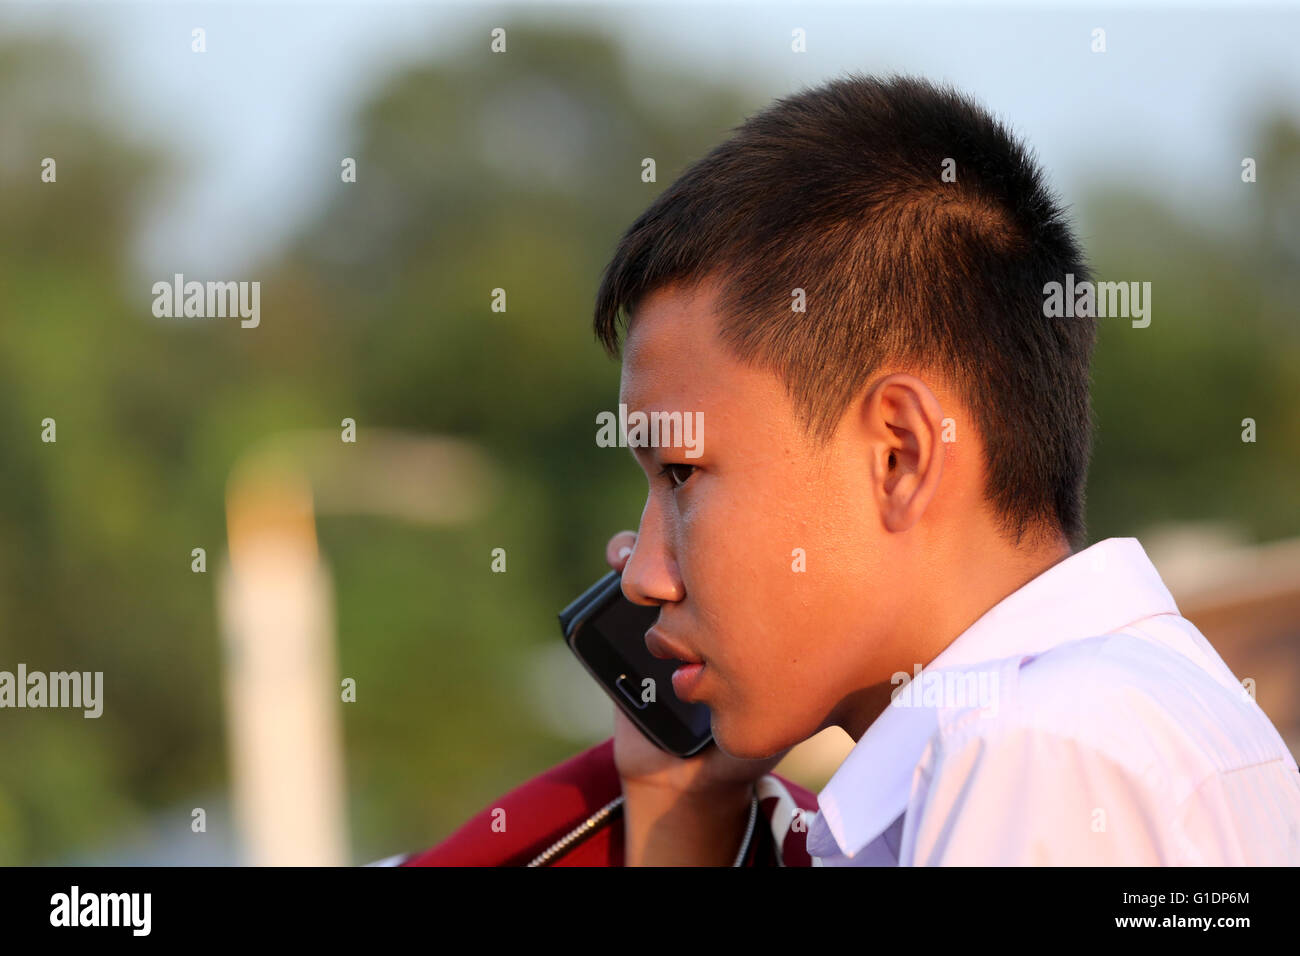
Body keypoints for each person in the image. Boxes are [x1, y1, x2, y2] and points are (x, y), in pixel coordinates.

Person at [403, 72, 1300, 866]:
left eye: (682, 474)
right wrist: (680, 810)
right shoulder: (1099, 712)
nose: (641, 574)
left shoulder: (1033, 752)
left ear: (899, 455)